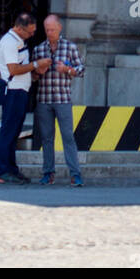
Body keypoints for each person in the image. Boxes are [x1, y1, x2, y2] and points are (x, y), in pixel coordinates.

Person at [0, 12, 50, 184]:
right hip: (13, 92)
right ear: (19, 27)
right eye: (29, 32)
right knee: (8, 132)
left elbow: (20, 70)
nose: (32, 35)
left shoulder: (19, 41)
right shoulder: (10, 43)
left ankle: (11, 169)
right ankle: (2, 171)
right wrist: (35, 64)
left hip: (21, 90)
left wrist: (34, 75)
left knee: (14, 133)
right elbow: (13, 70)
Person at [31, 13, 85, 186]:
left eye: (52, 29)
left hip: (63, 99)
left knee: (68, 136)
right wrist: (38, 72)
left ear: (60, 28)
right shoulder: (39, 49)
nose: (50, 32)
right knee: (46, 138)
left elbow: (82, 70)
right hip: (44, 100)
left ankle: (75, 174)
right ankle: (48, 173)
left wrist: (67, 69)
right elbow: (32, 76)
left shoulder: (70, 48)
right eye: (47, 29)